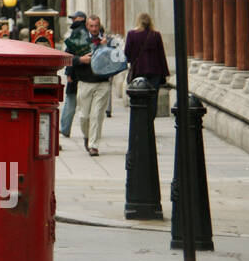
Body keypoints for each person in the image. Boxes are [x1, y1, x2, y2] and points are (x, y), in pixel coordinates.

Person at [71, 15, 115, 156]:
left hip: (102, 82)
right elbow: (67, 57)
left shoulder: (108, 40)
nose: (94, 29)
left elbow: (116, 58)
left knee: (97, 115)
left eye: (96, 26)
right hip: (85, 82)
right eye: (91, 26)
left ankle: (93, 145)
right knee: (84, 116)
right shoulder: (78, 38)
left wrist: (105, 47)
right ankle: (86, 136)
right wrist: (80, 59)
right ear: (87, 26)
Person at [60, 11, 88, 138]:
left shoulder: (77, 32)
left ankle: (65, 128)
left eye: (74, 18)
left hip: (76, 71)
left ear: (80, 19)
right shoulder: (86, 30)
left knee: (70, 100)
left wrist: (68, 72)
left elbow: (70, 53)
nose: (72, 20)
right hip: (85, 72)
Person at [123, 12, 170, 85]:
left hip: (138, 71)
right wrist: (165, 73)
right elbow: (161, 55)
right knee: (153, 95)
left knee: (138, 94)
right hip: (155, 71)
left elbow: (127, 53)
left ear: (138, 22)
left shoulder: (131, 34)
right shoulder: (156, 35)